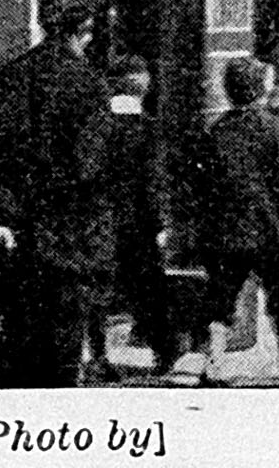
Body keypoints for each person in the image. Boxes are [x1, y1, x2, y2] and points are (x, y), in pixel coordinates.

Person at [0, 0, 113, 388]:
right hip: (68, 240)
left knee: (17, 345)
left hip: (12, 240)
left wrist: (1, 217)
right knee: (60, 359)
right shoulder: (88, 85)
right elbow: (88, 170)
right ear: (86, 25)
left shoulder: (6, 79)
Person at [175, 57, 279, 384]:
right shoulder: (273, 128)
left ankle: (214, 360)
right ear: (260, 89)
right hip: (267, 226)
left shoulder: (216, 131)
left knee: (220, 295)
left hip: (225, 228)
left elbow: (199, 184)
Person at [94, 57, 180, 379]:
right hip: (139, 224)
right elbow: (155, 181)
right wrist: (161, 224)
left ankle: (99, 355)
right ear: (144, 87)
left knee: (99, 289)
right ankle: (164, 354)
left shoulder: (100, 124)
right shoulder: (148, 127)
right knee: (149, 289)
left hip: (102, 220)